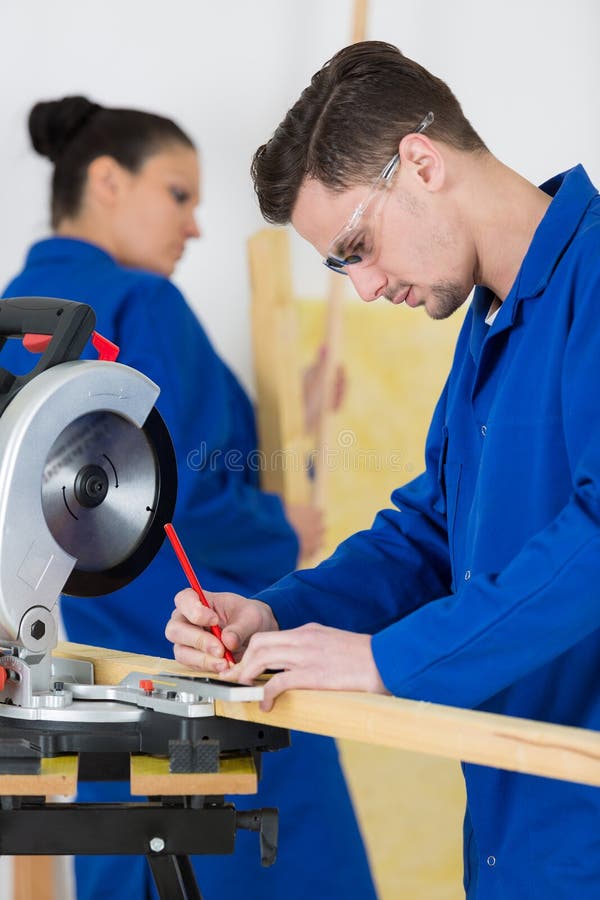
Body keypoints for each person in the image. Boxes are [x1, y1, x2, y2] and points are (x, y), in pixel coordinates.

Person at [166, 39, 600, 900]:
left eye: (356, 247)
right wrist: (275, 616)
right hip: (512, 837)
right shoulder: (488, 326)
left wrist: (388, 661)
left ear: (422, 163)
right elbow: (431, 538)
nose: (363, 289)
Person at [1, 96, 376, 900]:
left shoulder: (17, 314)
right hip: (207, 669)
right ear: (106, 180)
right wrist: (282, 522)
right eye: (179, 195)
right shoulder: (141, 303)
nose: (195, 225)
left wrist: (295, 411)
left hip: (91, 673)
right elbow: (183, 493)